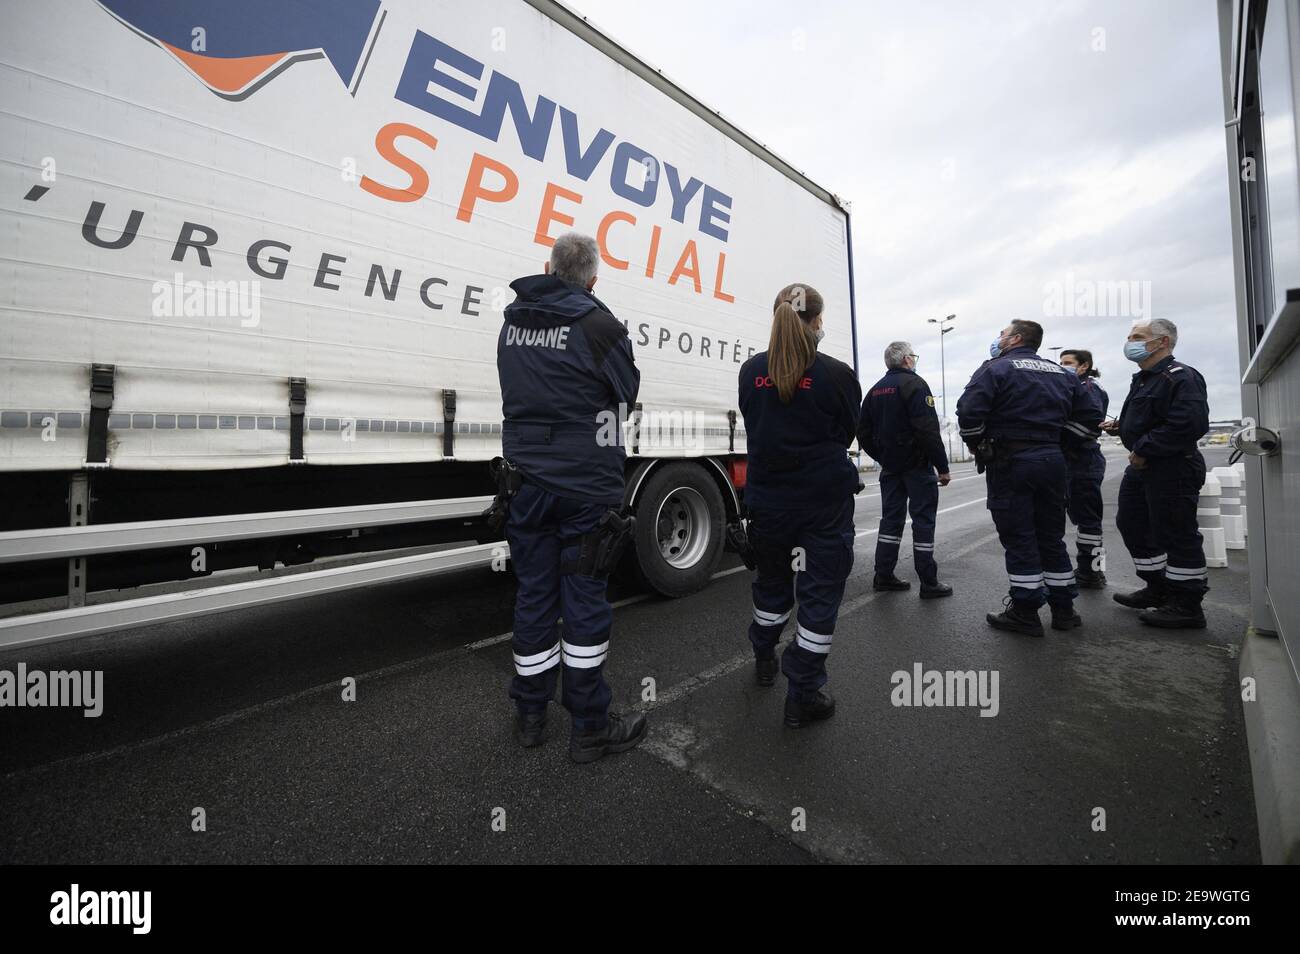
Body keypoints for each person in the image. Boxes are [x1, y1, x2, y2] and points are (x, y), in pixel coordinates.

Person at [495, 232, 647, 762]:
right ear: (593, 279)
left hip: (526, 486)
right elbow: (628, 393)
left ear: (547, 266)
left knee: (535, 596)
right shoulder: (600, 325)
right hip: (584, 488)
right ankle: (589, 727)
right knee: (583, 604)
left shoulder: (511, 323)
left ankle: (530, 716)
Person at [738, 283, 862, 727]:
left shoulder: (750, 371)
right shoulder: (837, 374)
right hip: (822, 502)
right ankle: (803, 694)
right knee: (819, 593)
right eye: (822, 320)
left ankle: (764, 657)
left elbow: (757, 427)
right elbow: (848, 431)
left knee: (771, 586)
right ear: (815, 322)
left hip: (769, 501)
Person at [955, 320, 1103, 636]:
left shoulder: (996, 368)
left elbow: (968, 413)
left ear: (1017, 339)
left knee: (1020, 536)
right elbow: (1091, 417)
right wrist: (1061, 442)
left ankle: (1025, 610)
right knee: (1050, 536)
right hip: (1053, 462)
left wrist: (981, 446)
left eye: (1002, 334)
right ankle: (1064, 610)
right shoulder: (1061, 373)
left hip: (1012, 462)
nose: (999, 338)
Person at [1102, 318, 1210, 628]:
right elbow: (1153, 417)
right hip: (1144, 466)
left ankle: (1187, 604)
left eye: (1137, 336)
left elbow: (1188, 424)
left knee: (1176, 532)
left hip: (1171, 466)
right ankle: (1158, 587)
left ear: (1161, 342)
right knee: (1132, 523)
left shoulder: (1181, 376)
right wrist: (1122, 427)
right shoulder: (1146, 379)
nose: (1130, 341)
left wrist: (1143, 448)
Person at [857, 341, 953, 598]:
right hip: (917, 467)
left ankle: (884, 575)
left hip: (890, 468)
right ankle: (929, 582)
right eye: (914, 356)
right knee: (923, 522)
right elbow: (928, 430)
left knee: (890, 520)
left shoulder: (875, 390)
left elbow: (863, 431)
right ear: (907, 360)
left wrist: (883, 455)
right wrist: (942, 467)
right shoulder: (916, 385)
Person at [1058, 349, 1109, 588]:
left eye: (1068, 363)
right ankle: (1089, 571)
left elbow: (1090, 424)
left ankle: (1094, 572)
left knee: (1090, 522)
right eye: (1061, 362)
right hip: (1071, 461)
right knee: (1083, 520)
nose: (1063, 366)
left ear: (1084, 366)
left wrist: (1059, 442)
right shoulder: (1073, 387)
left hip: (1083, 460)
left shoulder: (1089, 388)